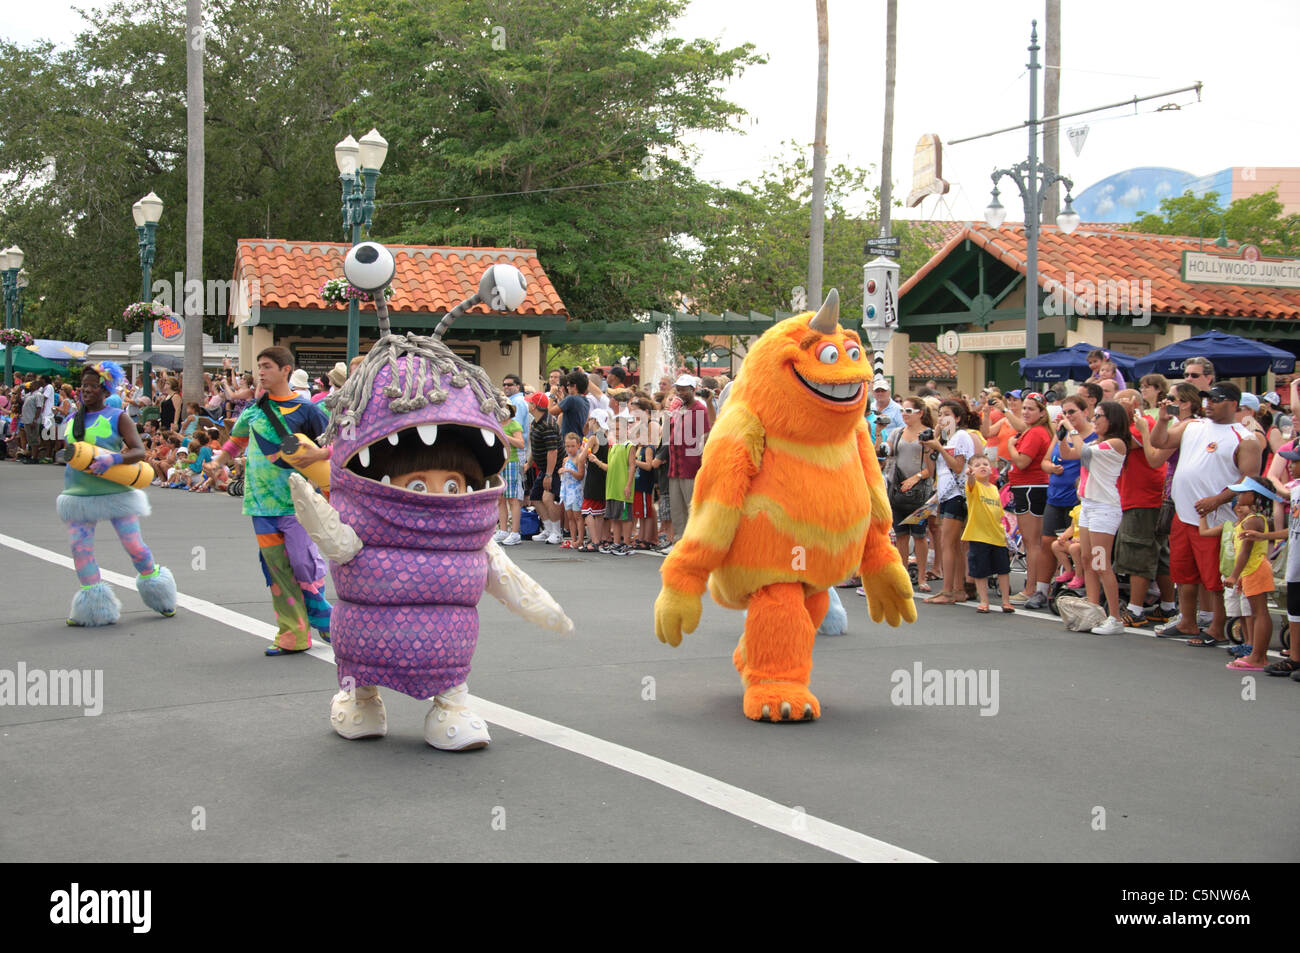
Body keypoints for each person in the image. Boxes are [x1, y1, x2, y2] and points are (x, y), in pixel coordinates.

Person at [207, 347, 333, 655]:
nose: (260, 372)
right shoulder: (253, 410)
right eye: (259, 367)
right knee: (275, 567)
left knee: (302, 562)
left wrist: (319, 454)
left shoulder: (308, 410)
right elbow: (236, 441)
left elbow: (336, 441)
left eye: (267, 367)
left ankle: (322, 612)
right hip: (260, 503)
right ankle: (292, 633)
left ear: (285, 370)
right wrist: (219, 461)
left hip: (298, 501)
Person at [57, 362, 177, 626]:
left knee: (134, 546)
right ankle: (94, 608)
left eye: (91, 386)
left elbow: (137, 451)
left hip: (115, 493)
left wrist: (112, 461)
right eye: (83, 386)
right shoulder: (75, 417)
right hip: (78, 495)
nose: (85, 390)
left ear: (104, 389)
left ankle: (160, 594)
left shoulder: (118, 416)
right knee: (80, 549)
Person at [1149, 381, 1261, 646]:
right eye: (1207, 399)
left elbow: (1250, 480)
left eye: (1216, 400)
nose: (1209, 404)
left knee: (1214, 577)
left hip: (1216, 518)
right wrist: (1162, 421)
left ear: (1233, 405)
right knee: (1183, 573)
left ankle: (1217, 627)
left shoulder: (1245, 438)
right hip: (1184, 512)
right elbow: (1159, 442)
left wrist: (1217, 499)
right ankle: (1187, 621)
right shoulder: (1192, 426)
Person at [1062, 401, 1129, 634]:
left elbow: (1083, 451)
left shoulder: (1116, 443)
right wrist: (1062, 436)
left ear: (1112, 419)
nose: (1095, 420)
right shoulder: (1097, 443)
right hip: (1089, 506)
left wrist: (1071, 429)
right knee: (1087, 558)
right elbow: (1068, 453)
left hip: (1104, 508)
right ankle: (1093, 609)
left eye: (1099, 416)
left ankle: (1115, 618)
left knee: (1101, 563)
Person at [1197, 481, 1277, 670]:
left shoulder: (1253, 520)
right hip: (1251, 570)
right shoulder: (1249, 520)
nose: (1238, 498)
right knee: (1257, 613)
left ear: (1255, 496)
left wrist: (1234, 575)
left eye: (1243, 494)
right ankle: (1257, 654)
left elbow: (1245, 551)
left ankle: (1258, 657)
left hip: (1255, 568)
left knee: (1260, 613)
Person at [1241, 448, 1300, 679]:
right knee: (1295, 611)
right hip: (1296, 561)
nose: (1291, 467)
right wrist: (1266, 537)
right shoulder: (1295, 490)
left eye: (1296, 463)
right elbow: (1292, 527)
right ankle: (1295, 659)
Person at [1116, 402, 1175, 627]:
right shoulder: (1136, 425)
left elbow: (1120, 445)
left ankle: (1135, 609)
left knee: (1138, 551)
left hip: (1144, 500)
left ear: (1133, 405)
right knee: (1158, 555)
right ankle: (1168, 606)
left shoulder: (1143, 424)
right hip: (1142, 498)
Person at [921, 399, 976, 604]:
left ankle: (948, 591)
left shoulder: (961, 436)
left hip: (957, 495)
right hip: (946, 493)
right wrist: (931, 445)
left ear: (958, 418)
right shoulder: (946, 438)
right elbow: (932, 468)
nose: (942, 418)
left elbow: (958, 466)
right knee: (955, 544)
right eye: (940, 414)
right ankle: (957, 589)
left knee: (948, 543)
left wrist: (940, 448)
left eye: (947, 414)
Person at [1005, 395, 1054, 608]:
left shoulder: (1035, 432)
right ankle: (1035, 585)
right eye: (1024, 408)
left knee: (1031, 541)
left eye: (1031, 409)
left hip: (1030, 487)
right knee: (1033, 541)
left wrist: (1010, 446)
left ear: (1042, 412)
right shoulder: (1037, 431)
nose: (1025, 412)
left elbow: (1022, 462)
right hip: (1032, 487)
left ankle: (1030, 588)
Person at [1042, 395, 1095, 585]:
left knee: (1078, 546)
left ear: (1086, 412)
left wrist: (1071, 431)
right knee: (1050, 543)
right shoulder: (1061, 433)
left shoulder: (1093, 435)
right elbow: (1046, 460)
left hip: (1077, 498)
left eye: (1071, 412)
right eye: (1064, 412)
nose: (1067, 416)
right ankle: (1044, 587)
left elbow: (1083, 453)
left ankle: (1082, 579)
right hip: (1055, 495)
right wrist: (1050, 468)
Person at [885, 397, 935, 592]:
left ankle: (922, 577)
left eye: (908, 411)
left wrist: (917, 477)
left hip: (920, 492)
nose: (904, 414)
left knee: (920, 535)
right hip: (898, 489)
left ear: (920, 413)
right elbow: (886, 453)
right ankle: (903, 574)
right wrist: (879, 434)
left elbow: (932, 467)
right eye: (903, 411)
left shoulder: (927, 434)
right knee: (901, 535)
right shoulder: (897, 433)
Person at [962, 455, 1015, 614]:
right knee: (980, 570)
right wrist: (970, 477)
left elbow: (999, 513)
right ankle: (984, 601)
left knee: (1003, 570)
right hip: (979, 536)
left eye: (985, 464)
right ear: (971, 469)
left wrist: (1005, 534)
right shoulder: (974, 486)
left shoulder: (993, 489)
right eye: (977, 465)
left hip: (997, 535)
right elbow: (971, 484)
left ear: (991, 469)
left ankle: (1006, 601)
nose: (982, 466)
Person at [665, 375, 711, 540]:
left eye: (684, 389)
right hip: (675, 467)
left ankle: (695, 541)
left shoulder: (699, 409)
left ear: (693, 390)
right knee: (677, 509)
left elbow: (705, 437)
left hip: (691, 467)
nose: (681, 393)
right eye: (679, 389)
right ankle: (679, 542)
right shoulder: (677, 409)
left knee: (691, 507)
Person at [526, 393, 563, 544]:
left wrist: (548, 474)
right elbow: (535, 448)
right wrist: (528, 464)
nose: (527, 405)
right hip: (544, 467)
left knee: (547, 498)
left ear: (534, 406)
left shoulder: (547, 424)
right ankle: (548, 529)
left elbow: (552, 451)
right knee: (534, 497)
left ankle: (557, 531)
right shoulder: (536, 422)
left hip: (554, 467)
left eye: (529, 403)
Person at [492, 410, 526, 545]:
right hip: (499, 462)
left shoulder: (514, 424)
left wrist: (505, 436)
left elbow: (521, 443)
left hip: (512, 462)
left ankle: (515, 533)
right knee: (500, 498)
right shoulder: (496, 423)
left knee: (513, 499)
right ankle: (503, 530)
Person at [559, 432, 586, 548]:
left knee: (578, 516)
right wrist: (561, 471)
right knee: (569, 517)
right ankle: (573, 538)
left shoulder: (579, 458)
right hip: (567, 490)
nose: (569, 449)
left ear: (578, 445)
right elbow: (562, 474)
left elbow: (580, 475)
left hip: (576, 490)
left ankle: (580, 539)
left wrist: (569, 471)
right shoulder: (565, 459)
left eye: (572, 446)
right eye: (567, 446)